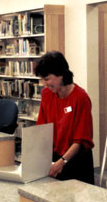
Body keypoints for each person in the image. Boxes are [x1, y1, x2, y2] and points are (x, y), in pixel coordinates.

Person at [35, 51, 95, 184]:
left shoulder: (80, 98)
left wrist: (62, 162)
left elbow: (80, 140)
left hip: (75, 160)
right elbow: (42, 130)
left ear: (60, 74)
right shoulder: (46, 94)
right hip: (54, 158)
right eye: (42, 80)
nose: (44, 84)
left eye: (47, 79)